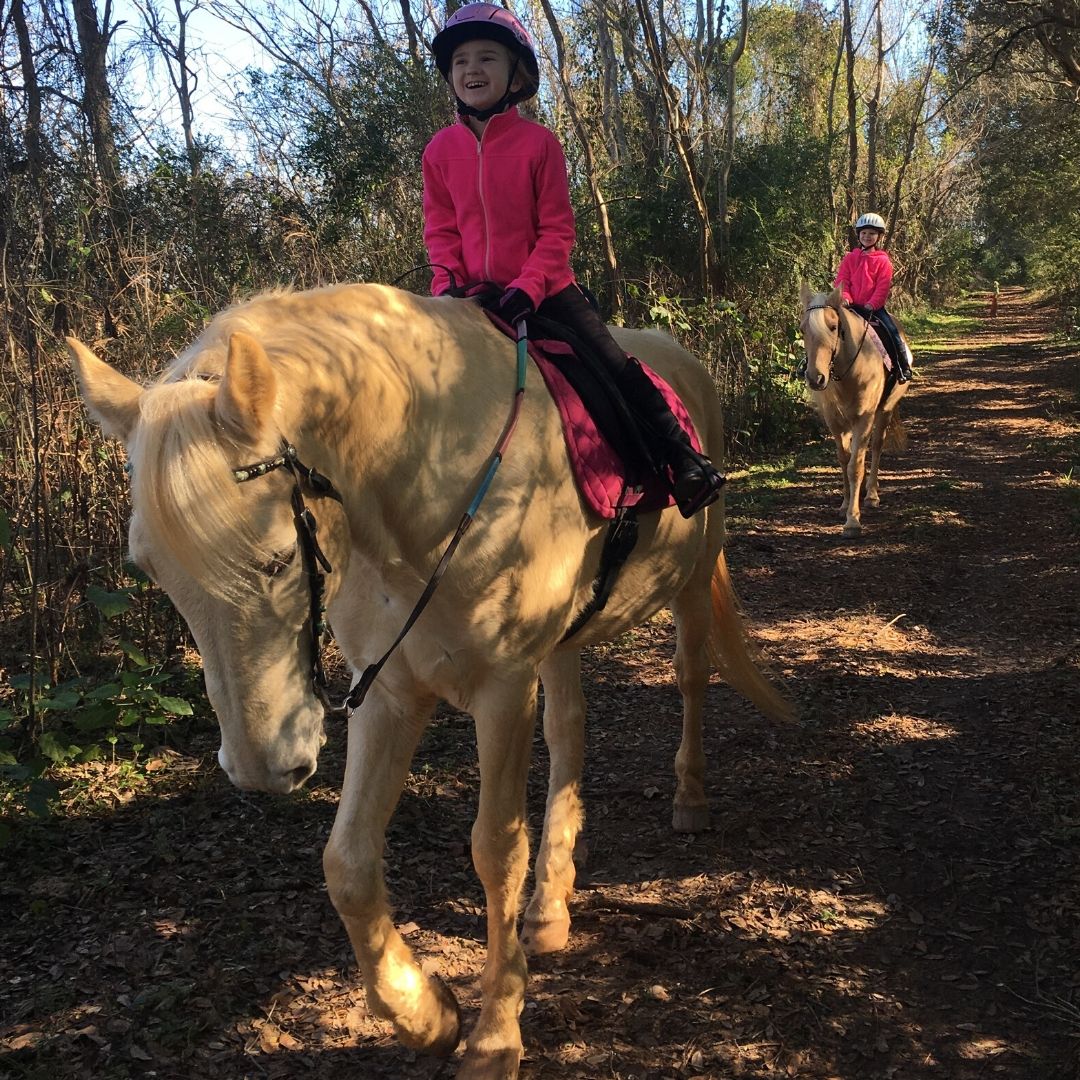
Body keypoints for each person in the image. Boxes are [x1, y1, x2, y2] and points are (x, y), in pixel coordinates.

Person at [422, 2, 723, 518]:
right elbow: (441, 231)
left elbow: (557, 231)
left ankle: (682, 460)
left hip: (546, 292)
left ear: (517, 73)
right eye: (460, 61)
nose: (472, 69)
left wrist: (529, 286)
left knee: (612, 365)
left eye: (487, 58)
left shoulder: (539, 144)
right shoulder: (438, 151)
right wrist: (446, 288)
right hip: (469, 300)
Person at [834, 212, 913, 383]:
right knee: (824, 326)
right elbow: (842, 280)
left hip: (873, 309)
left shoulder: (883, 261)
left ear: (879, 236)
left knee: (892, 332)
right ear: (859, 235)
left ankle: (902, 366)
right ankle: (810, 365)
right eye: (864, 233)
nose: (867, 236)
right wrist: (845, 297)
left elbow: (882, 287)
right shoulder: (850, 258)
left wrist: (872, 304)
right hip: (849, 306)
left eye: (872, 233)